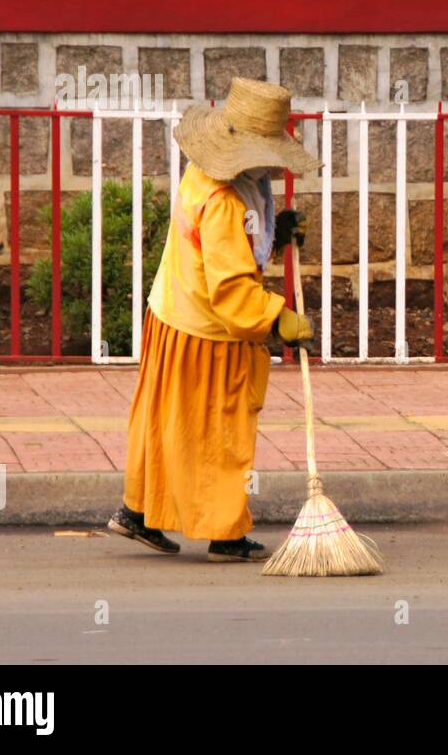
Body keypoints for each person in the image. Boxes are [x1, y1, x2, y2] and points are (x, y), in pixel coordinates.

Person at [108, 78, 318, 561]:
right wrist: (278, 319)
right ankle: (225, 534)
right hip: (208, 335)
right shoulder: (225, 201)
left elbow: (220, 253)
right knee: (219, 436)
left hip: (171, 317)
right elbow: (230, 290)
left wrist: (277, 234)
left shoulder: (204, 175)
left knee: (163, 423)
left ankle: (136, 512)